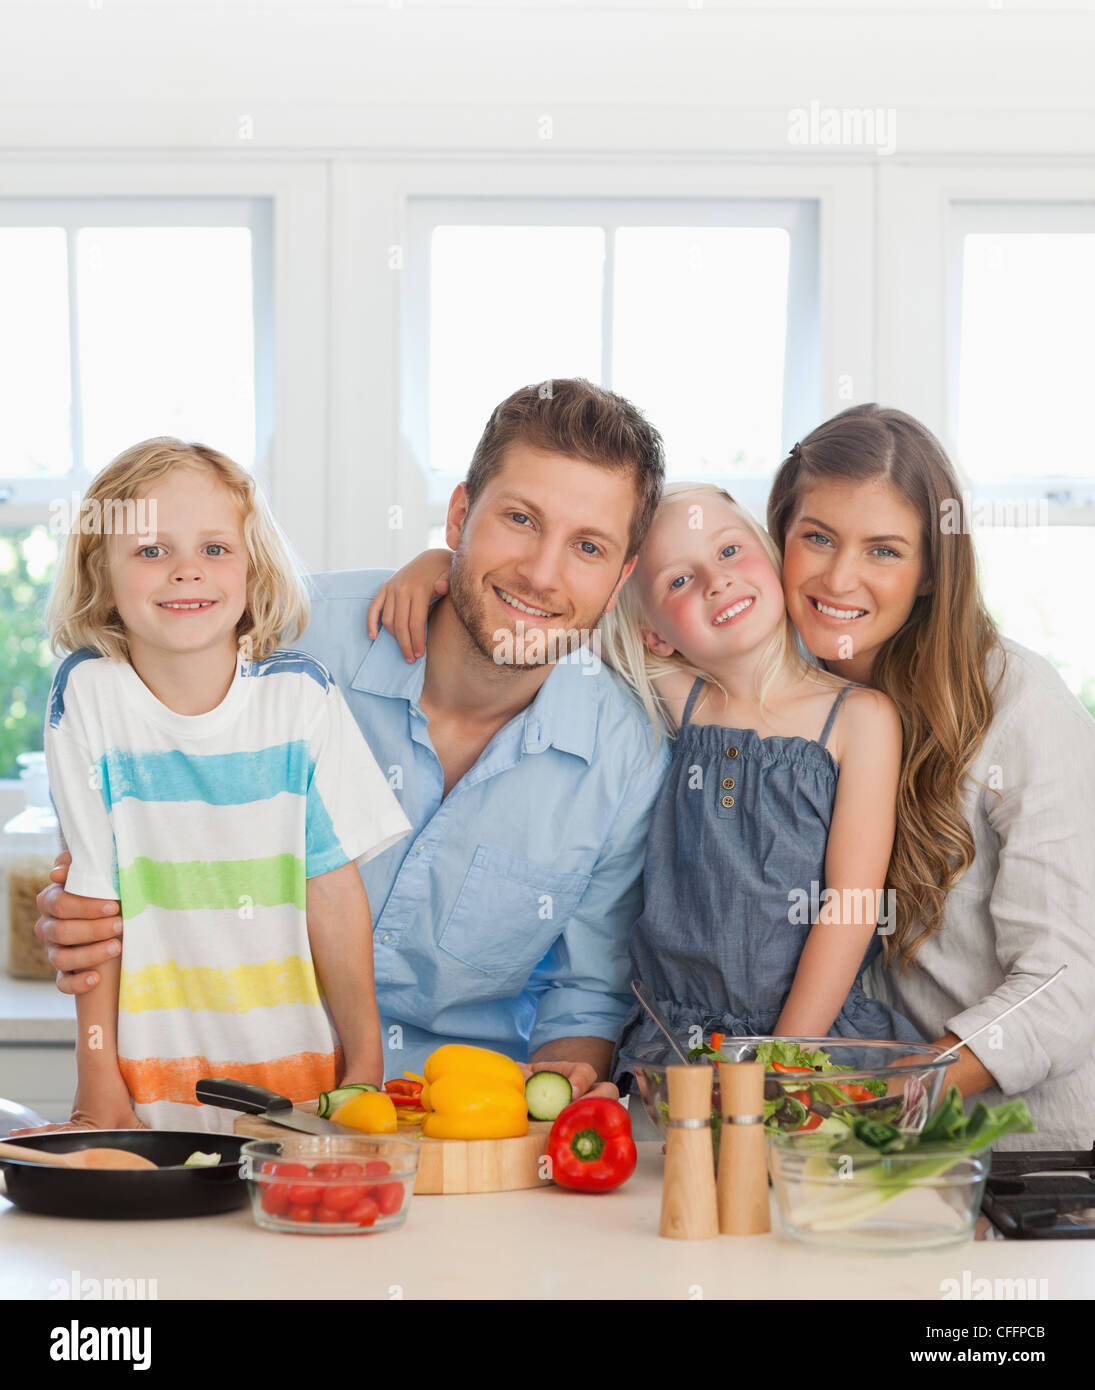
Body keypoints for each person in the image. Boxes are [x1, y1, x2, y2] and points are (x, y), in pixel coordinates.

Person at [34, 380, 671, 1098]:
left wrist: (559, 1092)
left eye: (587, 546)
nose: (541, 572)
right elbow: (126, 741)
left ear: (619, 579)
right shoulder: (285, 633)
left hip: (452, 1120)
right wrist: (88, 907)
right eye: (519, 519)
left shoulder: (626, 760)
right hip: (222, 1099)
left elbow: (585, 993)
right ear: (459, 517)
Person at [35, 440, 411, 1134]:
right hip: (148, 1092)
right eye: (151, 551)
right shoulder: (86, 695)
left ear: (251, 567)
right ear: (102, 572)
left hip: (298, 1089)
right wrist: (98, 1088)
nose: (186, 572)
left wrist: (364, 1066)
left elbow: (332, 892)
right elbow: (93, 907)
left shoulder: (301, 698)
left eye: (214, 549)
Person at [767, 405, 1095, 1149]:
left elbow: (1064, 983)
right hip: (849, 1139)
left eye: (883, 551)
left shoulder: (1020, 708)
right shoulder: (764, 695)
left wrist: (895, 1090)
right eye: (816, 536)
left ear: (927, 574)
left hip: (1027, 1153)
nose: (839, 576)